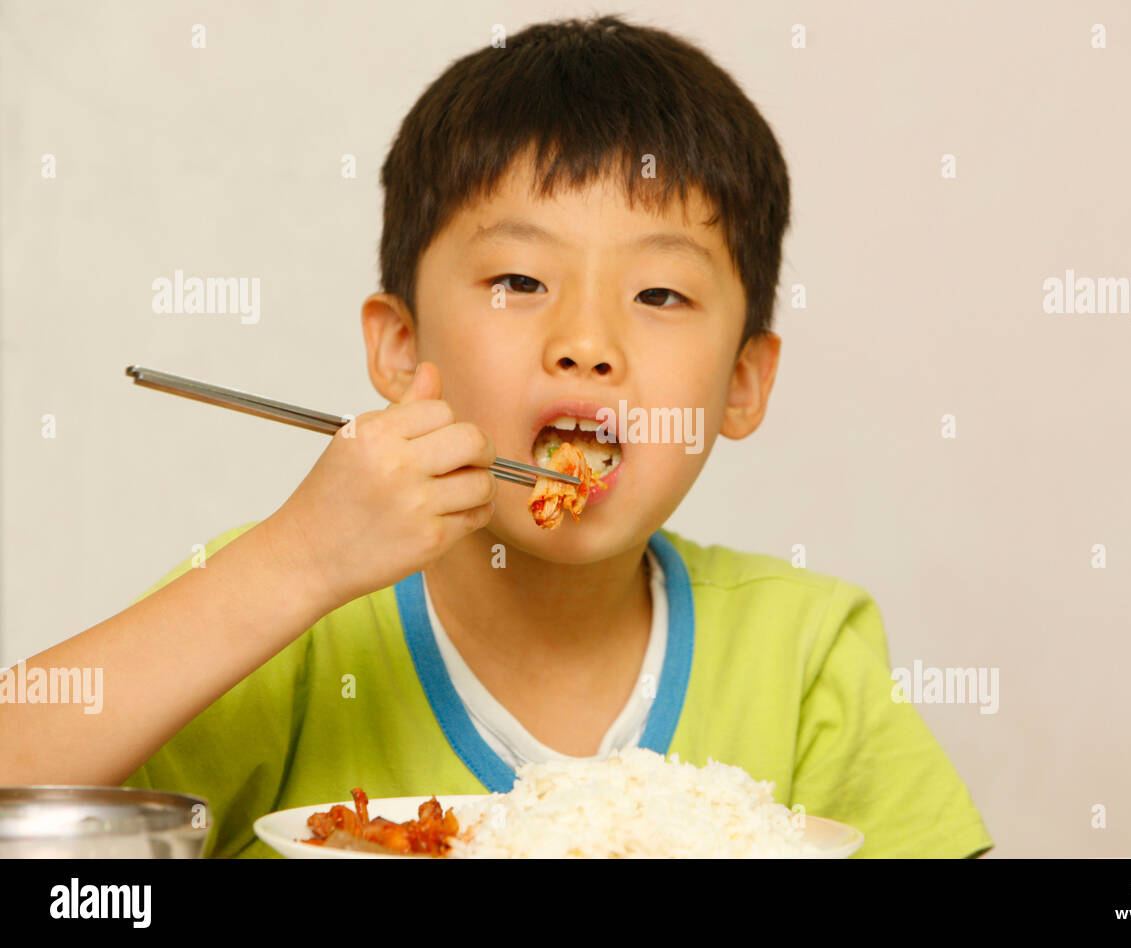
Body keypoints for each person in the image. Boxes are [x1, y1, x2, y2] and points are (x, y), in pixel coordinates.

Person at [0, 14, 993, 859]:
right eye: (519, 281)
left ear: (741, 383)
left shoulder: (805, 652)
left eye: (659, 292)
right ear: (399, 349)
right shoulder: (298, 619)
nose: (586, 344)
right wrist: (296, 562)